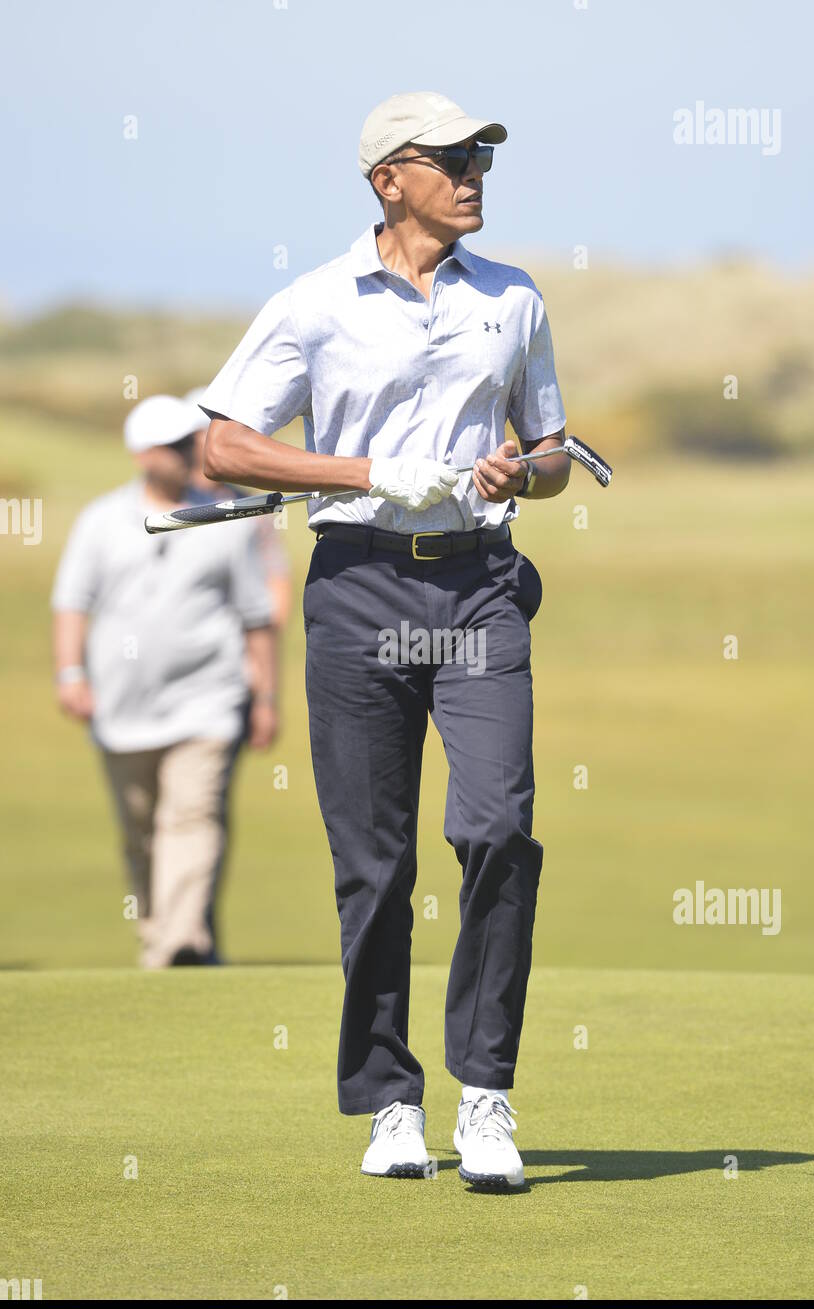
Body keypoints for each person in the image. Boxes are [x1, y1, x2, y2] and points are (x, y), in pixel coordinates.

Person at [199, 92, 570, 1188]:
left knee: (499, 828)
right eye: (449, 158)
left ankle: (486, 1093)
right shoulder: (314, 303)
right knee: (374, 861)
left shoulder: (513, 297)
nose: (473, 174)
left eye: (479, 156)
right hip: (357, 587)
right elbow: (225, 447)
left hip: (479, 586)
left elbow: (554, 452)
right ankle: (390, 1102)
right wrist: (366, 471)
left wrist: (520, 471)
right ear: (387, 179)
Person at [51, 395, 279, 968]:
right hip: (121, 708)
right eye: (175, 446)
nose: (188, 454)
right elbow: (72, 603)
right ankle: (165, 937)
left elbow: (256, 615)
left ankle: (179, 942)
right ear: (143, 454)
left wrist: (265, 697)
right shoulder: (101, 520)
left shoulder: (226, 517)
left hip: (208, 702)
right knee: (141, 833)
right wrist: (71, 673)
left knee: (192, 816)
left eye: (189, 443)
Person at [184, 387, 292, 628]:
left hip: (236, 633)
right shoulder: (170, 498)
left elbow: (274, 570)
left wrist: (271, 632)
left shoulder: (249, 503)